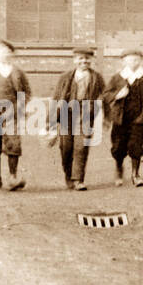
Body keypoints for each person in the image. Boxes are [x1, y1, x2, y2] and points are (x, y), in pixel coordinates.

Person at [48, 46, 105, 191]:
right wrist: (51, 121)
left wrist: (106, 117)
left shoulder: (96, 78)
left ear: (91, 60)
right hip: (67, 113)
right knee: (66, 147)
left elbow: (104, 96)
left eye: (87, 59)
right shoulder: (66, 77)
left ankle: (78, 179)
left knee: (81, 147)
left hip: (85, 114)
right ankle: (68, 176)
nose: (84, 61)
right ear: (75, 60)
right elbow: (56, 97)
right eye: (81, 58)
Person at [0, 40, 31, 190]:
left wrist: (22, 106)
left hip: (12, 110)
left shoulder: (17, 72)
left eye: (7, 51)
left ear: (11, 54)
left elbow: (26, 91)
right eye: (0, 50)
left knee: (13, 142)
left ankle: (13, 176)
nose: (4, 53)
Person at [104, 49, 143, 187]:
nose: (133, 62)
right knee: (118, 147)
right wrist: (117, 95)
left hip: (139, 117)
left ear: (141, 61)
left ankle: (135, 174)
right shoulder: (117, 78)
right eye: (130, 59)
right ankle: (119, 168)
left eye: (136, 59)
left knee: (136, 146)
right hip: (120, 118)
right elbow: (106, 95)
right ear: (123, 61)